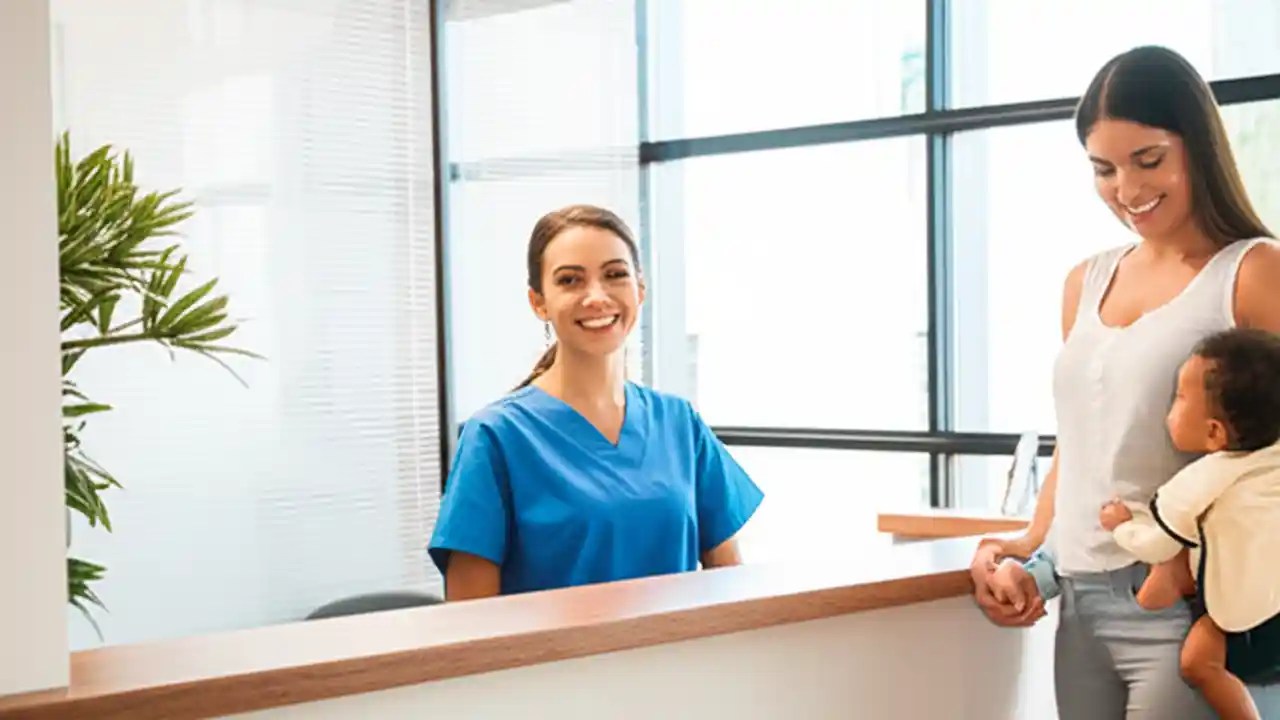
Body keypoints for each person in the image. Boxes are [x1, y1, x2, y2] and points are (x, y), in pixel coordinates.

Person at [969, 45, 1280, 719]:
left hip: (1186, 610)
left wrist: (1238, 598)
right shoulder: (1086, 281)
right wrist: (1026, 547)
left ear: (1197, 146)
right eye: (1103, 169)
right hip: (1078, 608)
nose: (1127, 191)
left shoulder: (1252, 272)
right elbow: (1081, 442)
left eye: (1149, 160)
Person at [428, 204, 764, 600]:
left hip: (675, 660)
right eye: (570, 280)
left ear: (640, 290)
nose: (596, 296)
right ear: (539, 302)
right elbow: (469, 623)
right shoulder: (496, 437)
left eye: (615, 275)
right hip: (559, 663)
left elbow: (730, 589)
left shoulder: (679, 424)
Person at [1097, 329, 1280, 719]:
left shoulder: (1202, 480)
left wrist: (1121, 526)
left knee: (1198, 663)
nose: (1169, 408)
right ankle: (1177, 577)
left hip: (1245, 625)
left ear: (1214, 433)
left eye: (1179, 398)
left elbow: (1156, 545)